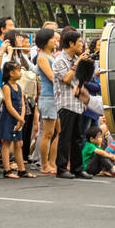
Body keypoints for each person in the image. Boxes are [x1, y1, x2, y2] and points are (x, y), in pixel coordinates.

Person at [53, 29, 91, 179]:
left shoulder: (76, 59)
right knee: (65, 138)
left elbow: (82, 80)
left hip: (77, 104)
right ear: (71, 43)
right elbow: (67, 79)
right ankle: (61, 169)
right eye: (80, 42)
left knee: (77, 139)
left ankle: (77, 168)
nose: (82, 44)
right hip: (65, 104)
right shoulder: (59, 61)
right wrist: (77, 63)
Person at [33, 28, 60, 174]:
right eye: (52, 38)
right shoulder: (42, 56)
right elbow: (51, 77)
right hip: (48, 97)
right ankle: (44, 164)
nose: (55, 40)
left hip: (55, 97)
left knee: (57, 132)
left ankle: (52, 162)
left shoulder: (51, 56)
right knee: (48, 133)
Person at [0, 60, 30, 178]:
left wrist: (22, 118)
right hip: (9, 118)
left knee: (19, 143)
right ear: (11, 73)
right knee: (7, 143)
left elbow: (23, 104)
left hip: (18, 119)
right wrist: (19, 118)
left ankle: (22, 169)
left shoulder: (19, 87)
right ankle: (7, 170)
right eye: (18, 70)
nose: (20, 73)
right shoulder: (6, 87)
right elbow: (9, 106)